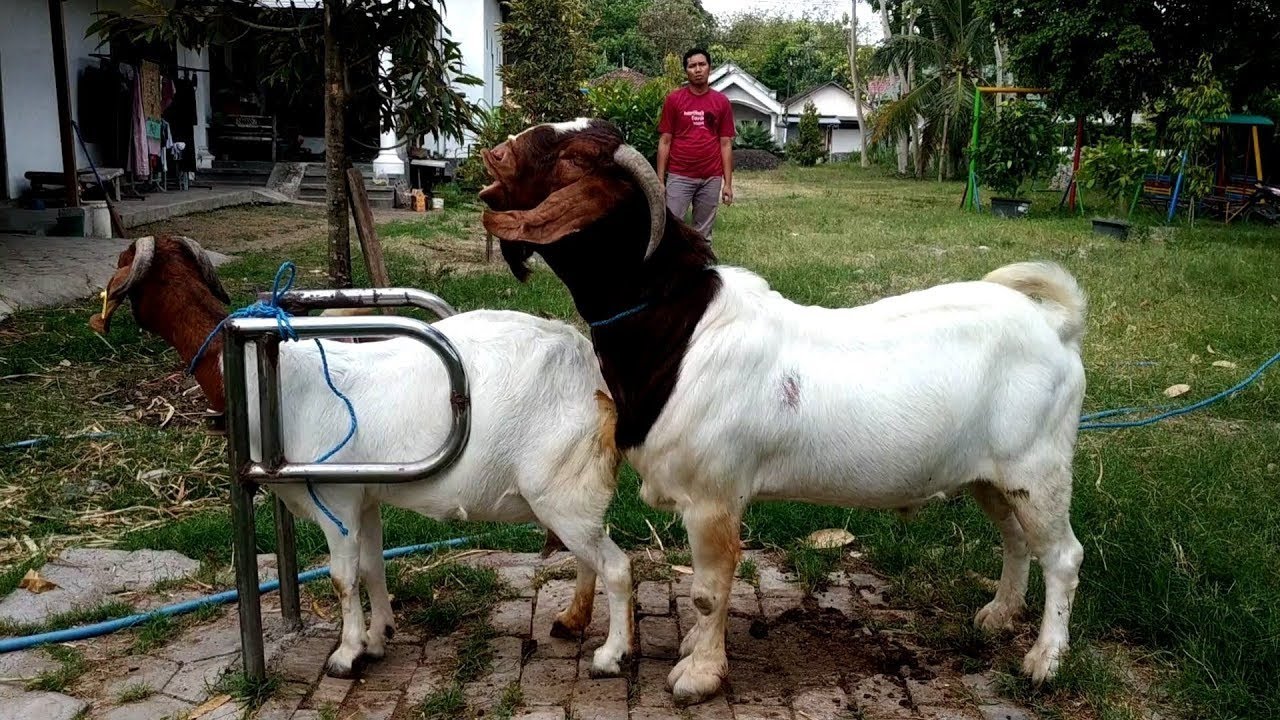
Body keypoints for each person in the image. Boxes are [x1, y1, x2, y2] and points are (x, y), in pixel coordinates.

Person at [656, 47, 735, 242]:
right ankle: (671, 271)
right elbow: (665, 141)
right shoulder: (674, 100)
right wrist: (659, 180)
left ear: (710, 68)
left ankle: (700, 270)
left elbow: (725, 144)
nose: (698, 69)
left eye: (702, 64)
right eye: (692, 66)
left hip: (711, 177)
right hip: (679, 176)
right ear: (686, 71)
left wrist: (728, 184)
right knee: (672, 230)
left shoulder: (722, 102)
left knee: (703, 235)